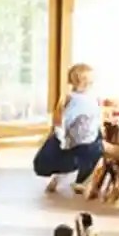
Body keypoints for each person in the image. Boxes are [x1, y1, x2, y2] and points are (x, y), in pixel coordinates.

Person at [34, 63, 104, 194]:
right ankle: (81, 181)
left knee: (91, 150)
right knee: (96, 151)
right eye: (89, 81)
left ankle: (71, 179)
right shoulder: (76, 100)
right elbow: (64, 121)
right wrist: (61, 138)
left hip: (85, 135)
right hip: (81, 140)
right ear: (82, 83)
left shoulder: (89, 97)